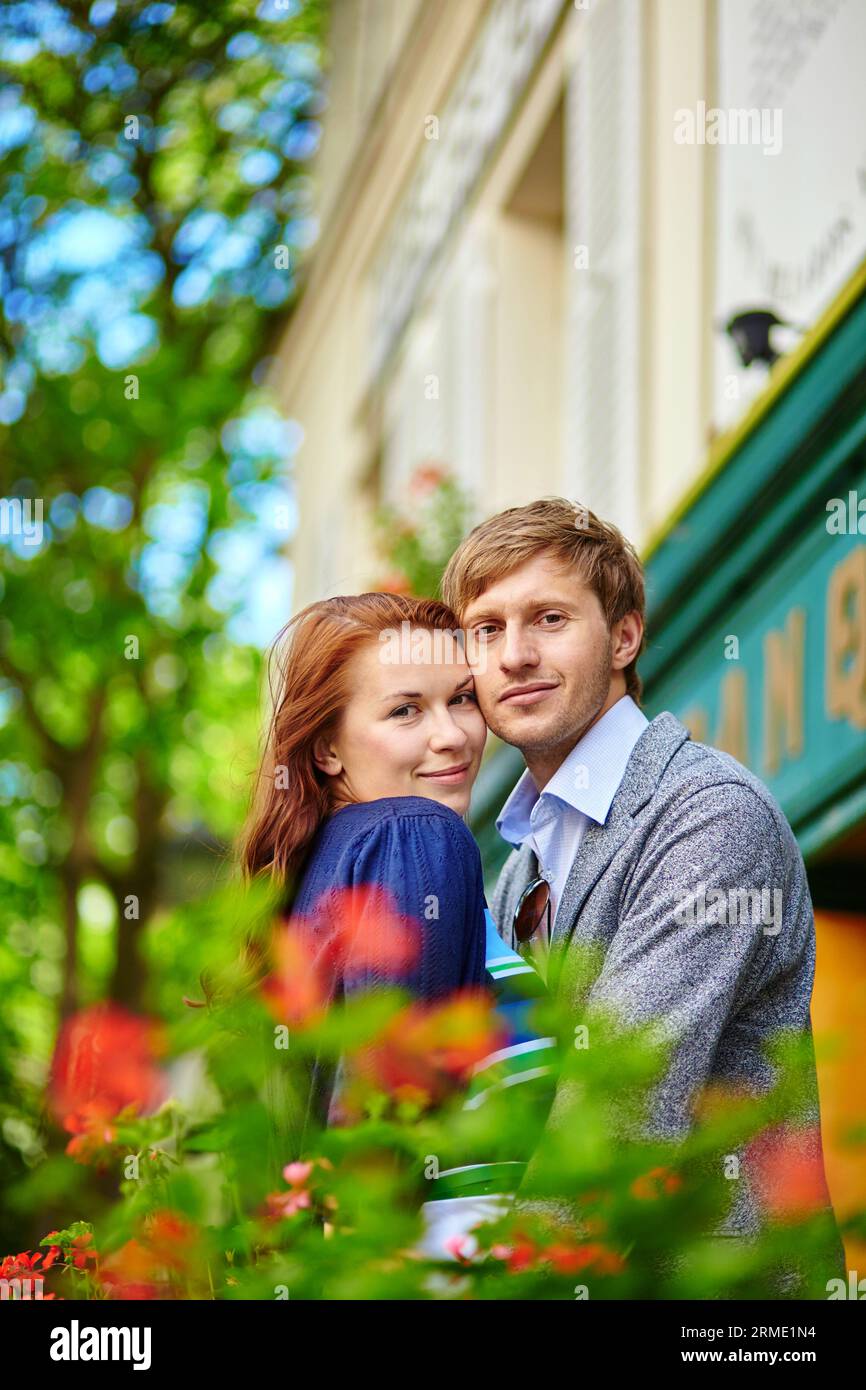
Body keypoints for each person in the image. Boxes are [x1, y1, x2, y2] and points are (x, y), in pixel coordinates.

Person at [441, 495, 846, 1276]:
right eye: (487, 629)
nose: (514, 655)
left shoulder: (706, 817)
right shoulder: (519, 865)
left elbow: (619, 1120)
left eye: (549, 619)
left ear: (625, 636)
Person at [239, 592, 552, 1257]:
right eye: (406, 710)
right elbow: (391, 1106)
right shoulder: (417, 832)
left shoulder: (325, 871)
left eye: (461, 698)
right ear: (326, 748)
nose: (452, 735)